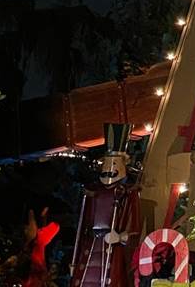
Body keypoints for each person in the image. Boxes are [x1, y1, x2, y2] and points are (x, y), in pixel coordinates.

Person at [71, 123, 141, 287]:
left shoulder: (128, 193)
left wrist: (121, 237)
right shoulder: (92, 192)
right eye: (107, 164)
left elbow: (135, 228)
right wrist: (74, 261)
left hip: (112, 249)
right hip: (91, 244)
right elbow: (83, 225)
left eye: (114, 164)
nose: (109, 169)